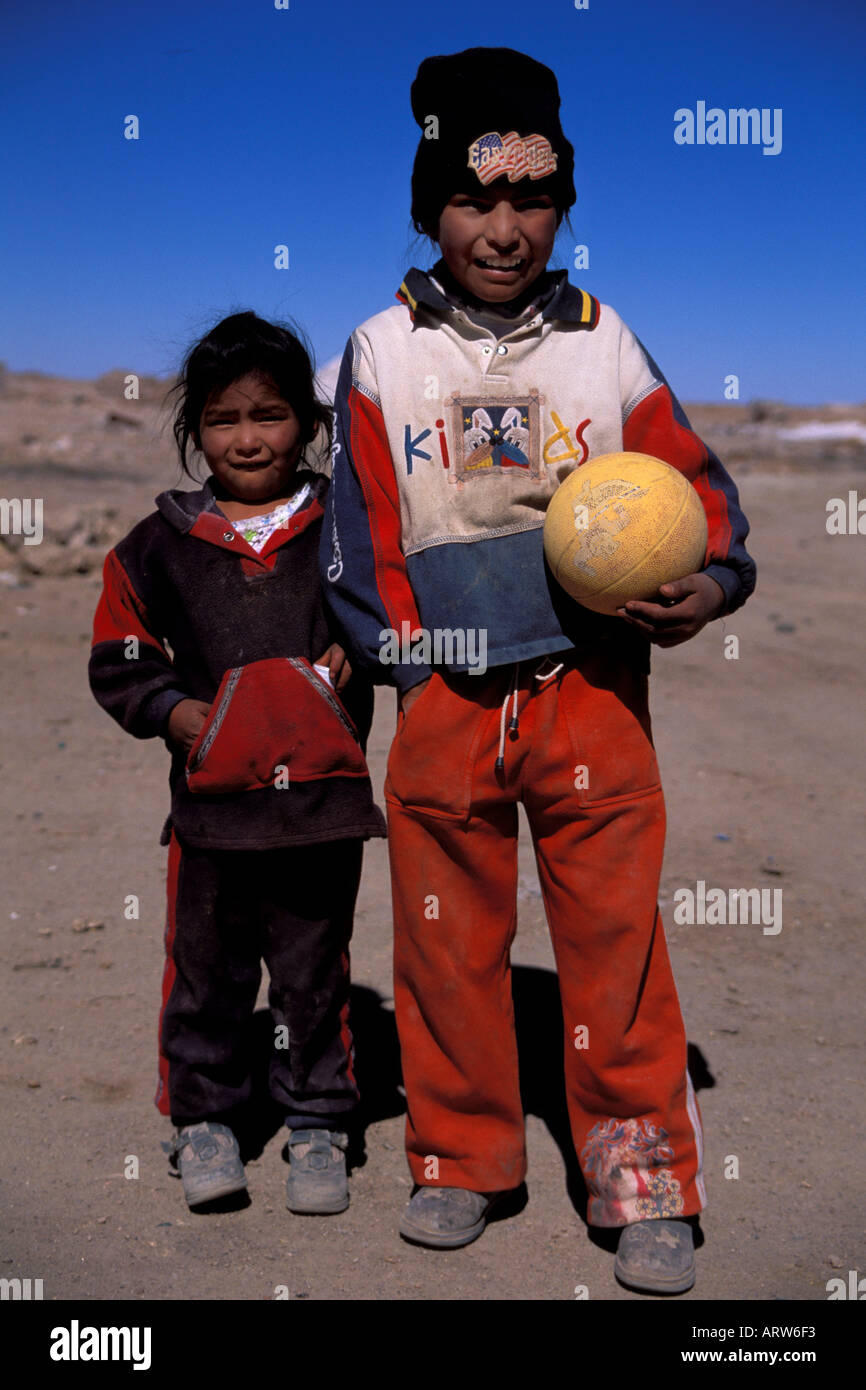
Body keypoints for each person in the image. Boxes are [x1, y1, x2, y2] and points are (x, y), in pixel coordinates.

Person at [320, 48, 756, 1294]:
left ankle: (643, 1174)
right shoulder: (377, 348)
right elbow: (358, 533)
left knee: (612, 940)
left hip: (594, 691)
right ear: (426, 207)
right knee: (446, 940)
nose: (503, 230)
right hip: (445, 699)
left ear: (563, 205)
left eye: (531, 200)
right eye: (470, 199)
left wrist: (708, 584)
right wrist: (414, 665)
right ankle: (461, 1159)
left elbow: (702, 500)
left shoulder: (601, 341)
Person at [89, 311, 385, 1214]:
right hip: (212, 816)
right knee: (206, 972)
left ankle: (318, 1122)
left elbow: (389, 614)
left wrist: (357, 656)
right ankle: (205, 1119)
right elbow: (120, 655)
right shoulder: (158, 544)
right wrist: (177, 713)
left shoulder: (344, 528)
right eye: (223, 419)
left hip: (321, 810)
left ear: (307, 420)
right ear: (194, 432)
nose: (248, 438)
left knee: (313, 975)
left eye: (270, 415)